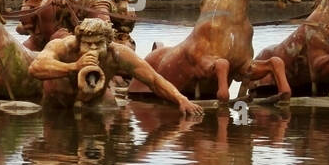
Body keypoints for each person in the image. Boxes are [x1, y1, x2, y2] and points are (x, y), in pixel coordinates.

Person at [29, 18, 203, 115]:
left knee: (107, 110)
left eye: (98, 44)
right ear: (78, 41)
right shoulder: (65, 46)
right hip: (59, 101)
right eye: (87, 44)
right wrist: (74, 66)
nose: (93, 49)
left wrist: (181, 99)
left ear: (109, 43)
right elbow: (36, 67)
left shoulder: (118, 54)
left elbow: (154, 80)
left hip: (94, 100)